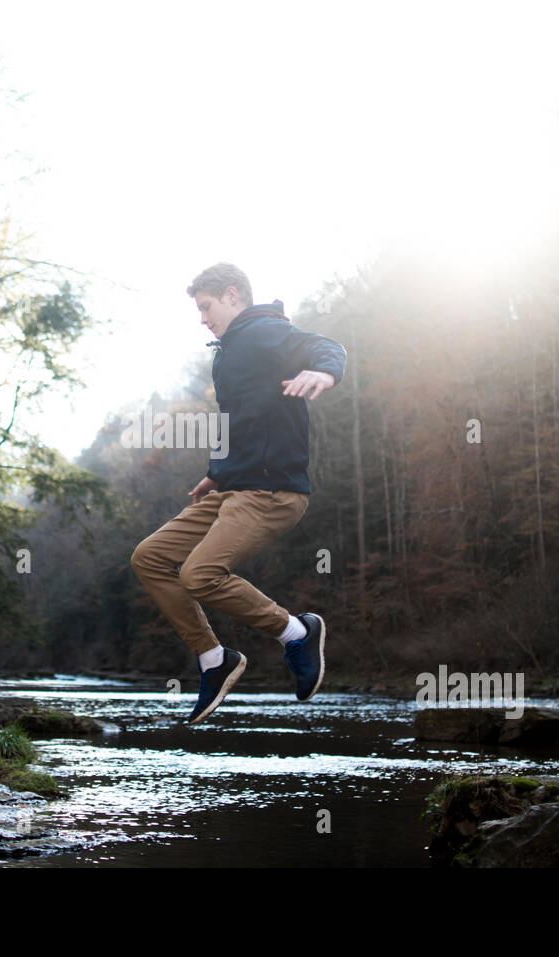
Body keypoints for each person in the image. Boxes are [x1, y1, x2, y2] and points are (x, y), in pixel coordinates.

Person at [130, 263, 347, 724]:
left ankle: (296, 633)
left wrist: (326, 373)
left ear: (232, 295)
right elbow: (239, 425)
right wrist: (216, 472)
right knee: (148, 558)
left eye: (206, 307)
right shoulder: (228, 353)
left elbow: (324, 346)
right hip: (232, 487)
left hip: (271, 490)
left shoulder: (263, 331)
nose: (202, 319)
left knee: (199, 575)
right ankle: (214, 659)